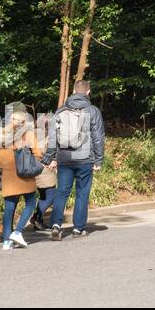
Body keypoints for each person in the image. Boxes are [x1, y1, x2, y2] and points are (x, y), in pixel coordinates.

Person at [43, 79, 106, 241]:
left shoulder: (61, 110)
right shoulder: (92, 111)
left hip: (64, 158)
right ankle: (78, 228)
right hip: (85, 158)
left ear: (73, 91)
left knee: (62, 192)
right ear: (88, 92)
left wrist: (51, 157)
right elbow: (98, 137)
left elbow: (52, 136)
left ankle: (56, 225)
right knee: (82, 193)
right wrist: (98, 160)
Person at [0, 104, 44, 250]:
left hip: (8, 176)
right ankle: (17, 232)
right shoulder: (28, 134)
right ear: (23, 122)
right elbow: (38, 153)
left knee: (9, 209)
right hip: (25, 176)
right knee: (30, 203)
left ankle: (6, 242)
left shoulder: (1, 136)